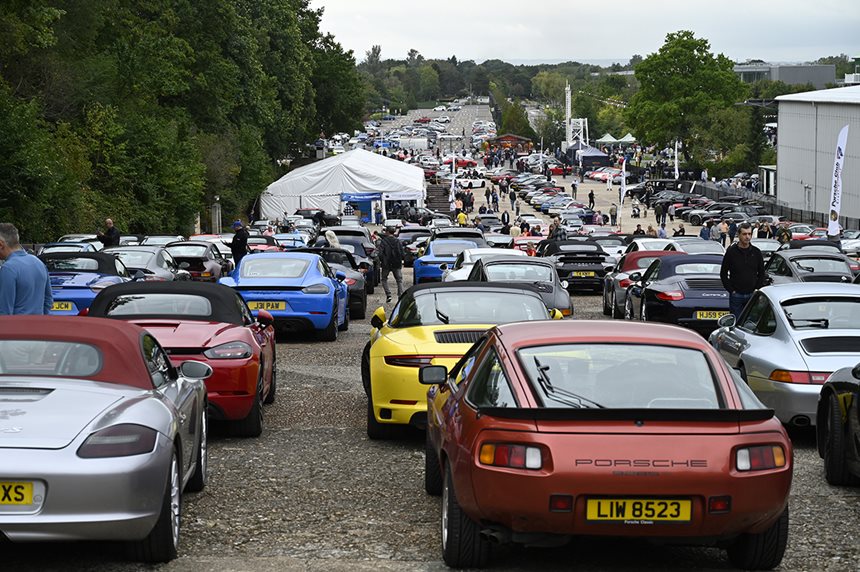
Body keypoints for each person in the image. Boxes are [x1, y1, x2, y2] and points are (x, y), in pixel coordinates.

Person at [0, 223, 52, 315]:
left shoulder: (8, 269)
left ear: (1, 244)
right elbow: (48, 300)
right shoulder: (39, 263)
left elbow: (5, 311)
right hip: (38, 326)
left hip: (17, 327)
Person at [720, 222, 765, 318]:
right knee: (736, 323)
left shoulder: (756, 252)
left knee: (751, 323)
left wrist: (757, 289)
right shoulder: (731, 252)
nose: (747, 237)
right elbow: (723, 273)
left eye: (749, 234)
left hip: (752, 295)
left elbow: (762, 273)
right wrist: (731, 290)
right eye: (744, 234)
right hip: (736, 296)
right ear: (739, 235)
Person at [378, 226, 405, 303]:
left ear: (387, 232)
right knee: (399, 280)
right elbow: (402, 253)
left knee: (384, 279)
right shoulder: (398, 241)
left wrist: (382, 260)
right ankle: (400, 295)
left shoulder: (384, 241)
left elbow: (380, 253)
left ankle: (388, 295)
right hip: (396, 263)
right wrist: (401, 260)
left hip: (386, 263)